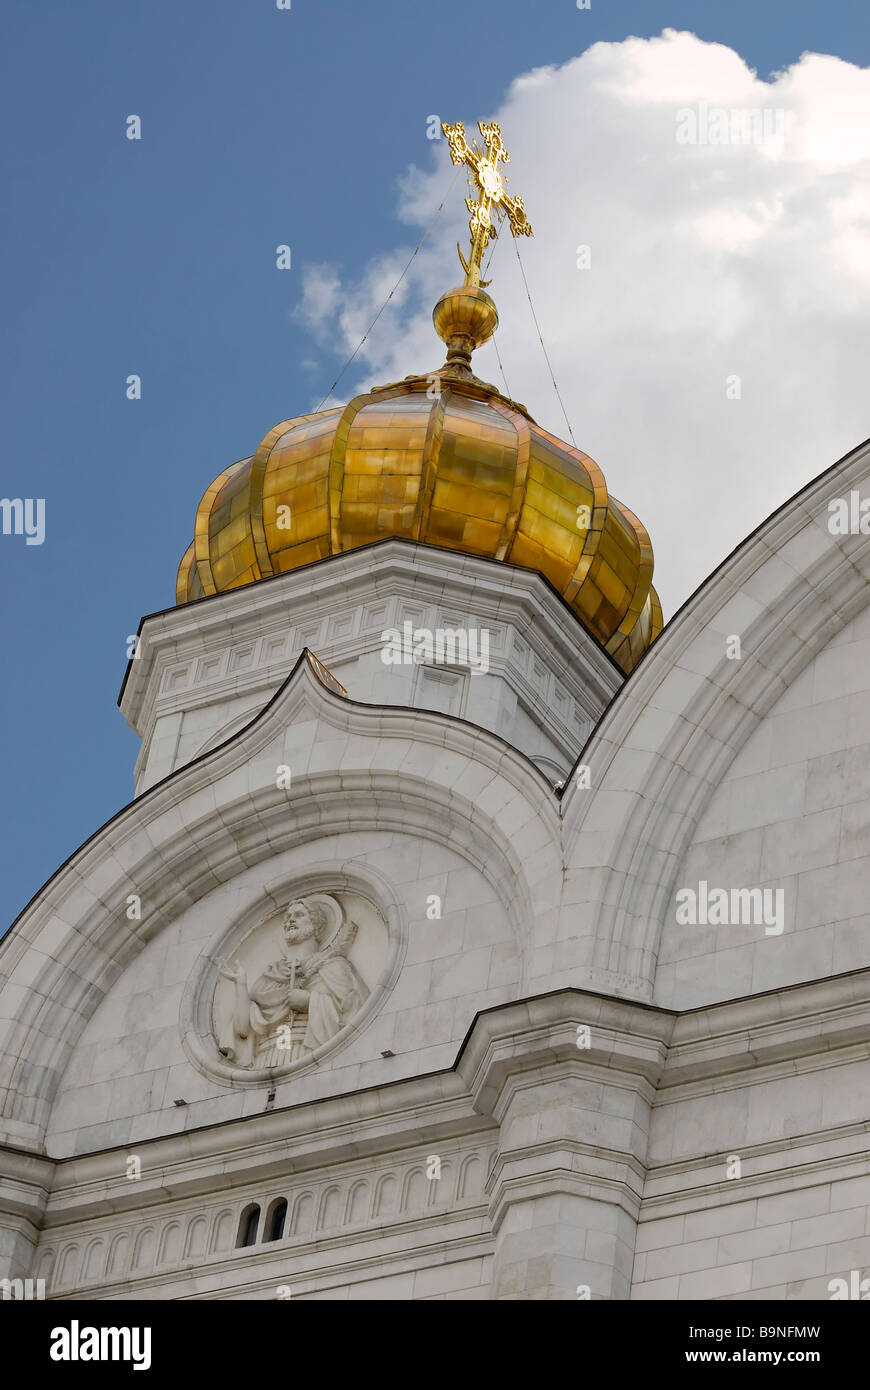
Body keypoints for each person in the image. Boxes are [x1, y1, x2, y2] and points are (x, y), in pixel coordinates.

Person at [217, 896, 366, 1068]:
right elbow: (242, 1030)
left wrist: (310, 1001)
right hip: (268, 1057)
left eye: (299, 915)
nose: (291, 920)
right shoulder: (270, 976)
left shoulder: (334, 966)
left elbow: (354, 1009)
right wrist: (240, 984)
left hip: (308, 1052)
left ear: (316, 925)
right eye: (288, 917)